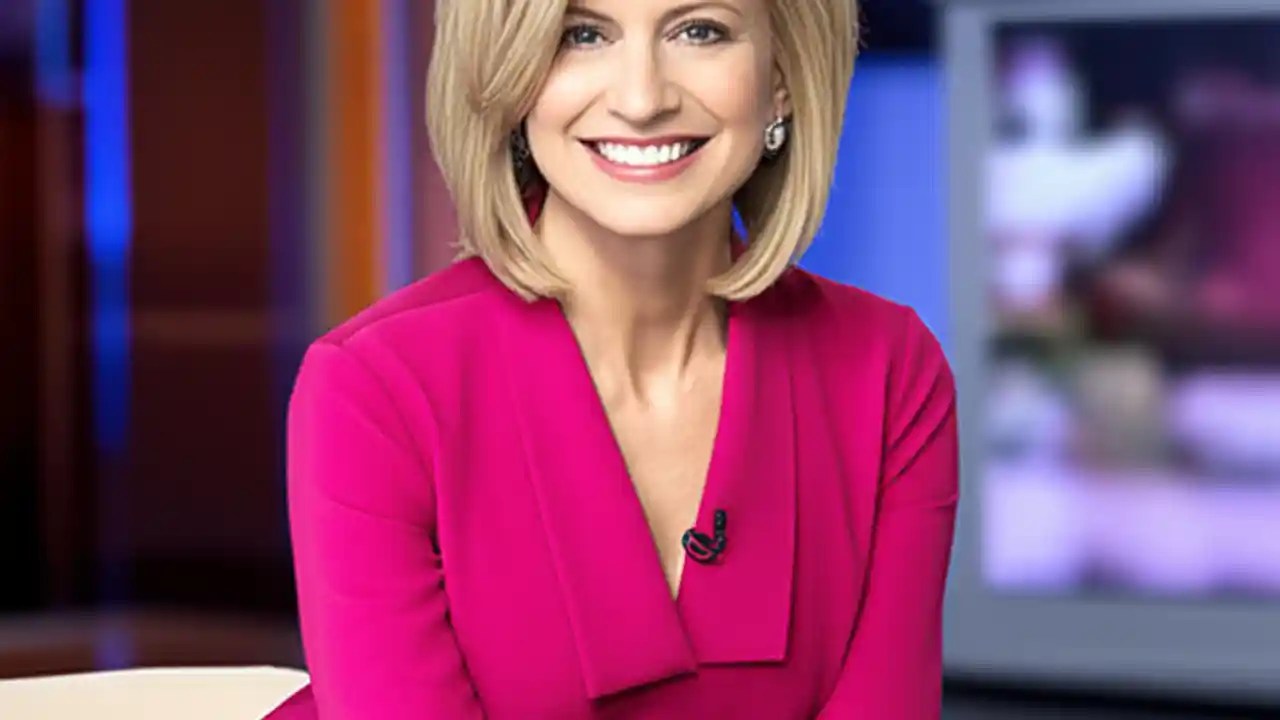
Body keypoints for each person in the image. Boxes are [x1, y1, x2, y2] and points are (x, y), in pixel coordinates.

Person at [266, 0, 958, 717]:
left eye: (700, 31)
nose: (641, 99)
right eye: (582, 35)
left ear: (781, 76)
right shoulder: (375, 389)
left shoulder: (889, 373)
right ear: (511, 79)